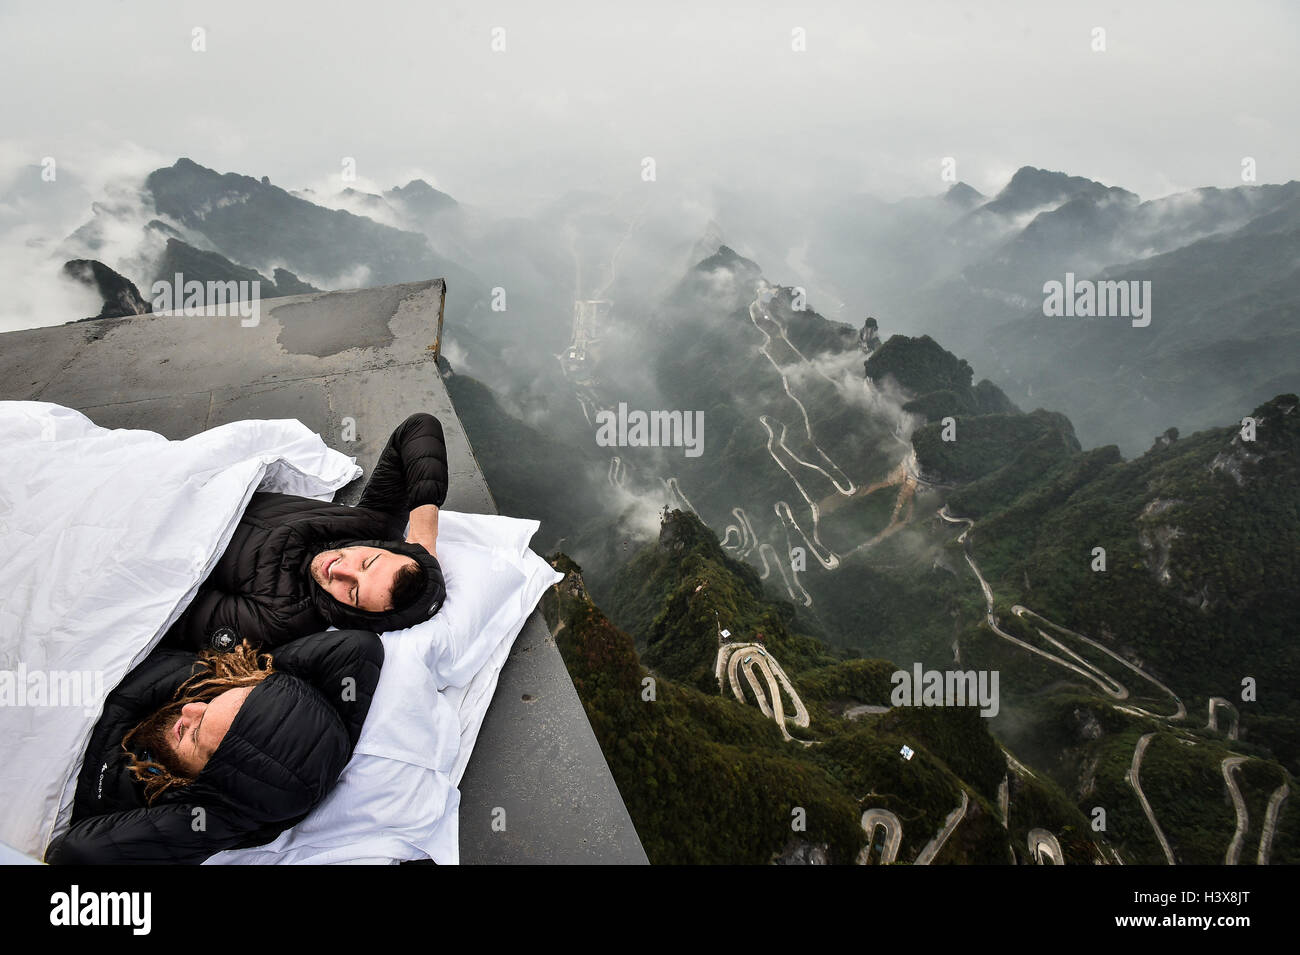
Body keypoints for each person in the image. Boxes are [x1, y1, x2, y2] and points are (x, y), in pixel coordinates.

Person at [45, 629, 384, 864]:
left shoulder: (189, 814)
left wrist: (220, 818)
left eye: (193, 735)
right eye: (213, 702)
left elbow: (79, 854)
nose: (190, 709)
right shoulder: (214, 680)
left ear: (200, 784)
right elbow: (356, 650)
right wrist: (317, 722)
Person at [164, 412, 450, 652]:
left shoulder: (278, 620)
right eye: (366, 563)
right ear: (385, 548)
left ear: (354, 614)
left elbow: (173, 609)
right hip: (209, 486)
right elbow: (419, 427)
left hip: (169, 529)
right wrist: (424, 537)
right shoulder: (376, 526)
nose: (340, 570)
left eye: (352, 592)